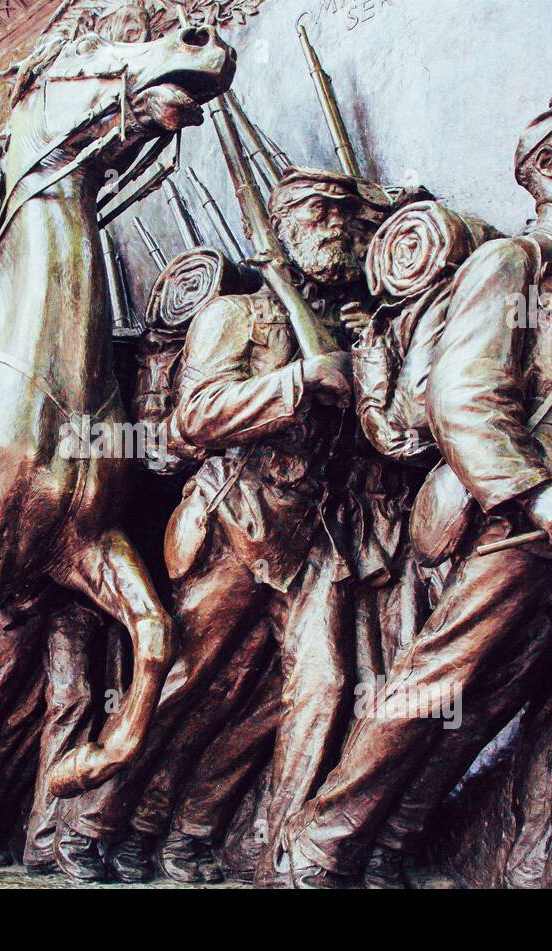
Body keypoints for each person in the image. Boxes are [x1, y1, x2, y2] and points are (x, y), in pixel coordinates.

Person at [282, 93, 552, 889]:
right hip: (519, 516)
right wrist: (532, 492)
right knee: (438, 688)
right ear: (545, 166)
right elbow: (465, 394)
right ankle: (318, 848)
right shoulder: (518, 261)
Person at [57, 167, 391, 883]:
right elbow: (190, 423)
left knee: (314, 690)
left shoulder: (351, 328)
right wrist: (294, 384)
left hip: (317, 539)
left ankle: (229, 843)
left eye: (345, 216)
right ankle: (93, 824)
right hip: (235, 523)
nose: (336, 227)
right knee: (186, 684)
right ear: (284, 232)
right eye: (318, 215)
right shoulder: (236, 316)